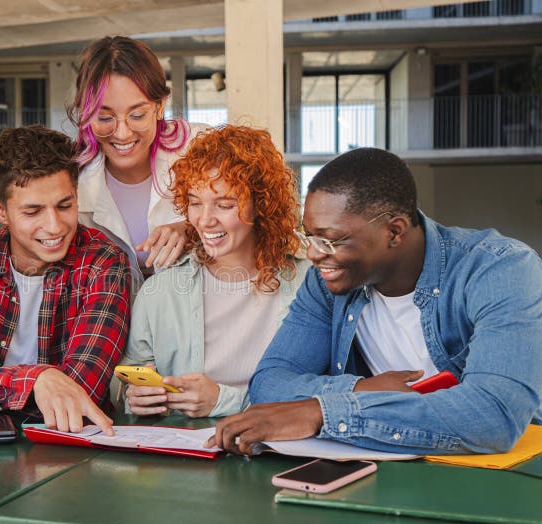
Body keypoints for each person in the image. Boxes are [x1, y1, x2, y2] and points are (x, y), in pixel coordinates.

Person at [209, 147, 542, 455]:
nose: (312, 253)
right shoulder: (326, 283)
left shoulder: (500, 269)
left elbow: (493, 415)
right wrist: (361, 389)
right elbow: (270, 384)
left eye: (330, 239)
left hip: (511, 475)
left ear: (394, 232)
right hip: (395, 465)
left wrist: (322, 412)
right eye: (308, 236)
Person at [0, 125, 131, 435]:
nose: (54, 226)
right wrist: (38, 380)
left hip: (74, 443)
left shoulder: (103, 262)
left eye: (64, 206)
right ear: (1, 211)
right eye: (33, 211)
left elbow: (81, 391)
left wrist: (5, 388)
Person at [122, 126, 310, 418]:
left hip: (278, 449)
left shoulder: (306, 283)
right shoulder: (160, 292)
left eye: (224, 204)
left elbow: (318, 394)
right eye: (195, 203)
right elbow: (127, 385)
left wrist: (224, 400)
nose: (205, 220)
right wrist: (136, 398)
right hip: (183, 455)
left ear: (260, 205)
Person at [69, 35, 205, 292]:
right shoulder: (74, 182)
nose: (122, 133)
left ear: (160, 105)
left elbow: (257, 217)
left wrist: (191, 228)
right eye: (105, 117)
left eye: (137, 115)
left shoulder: (200, 148)